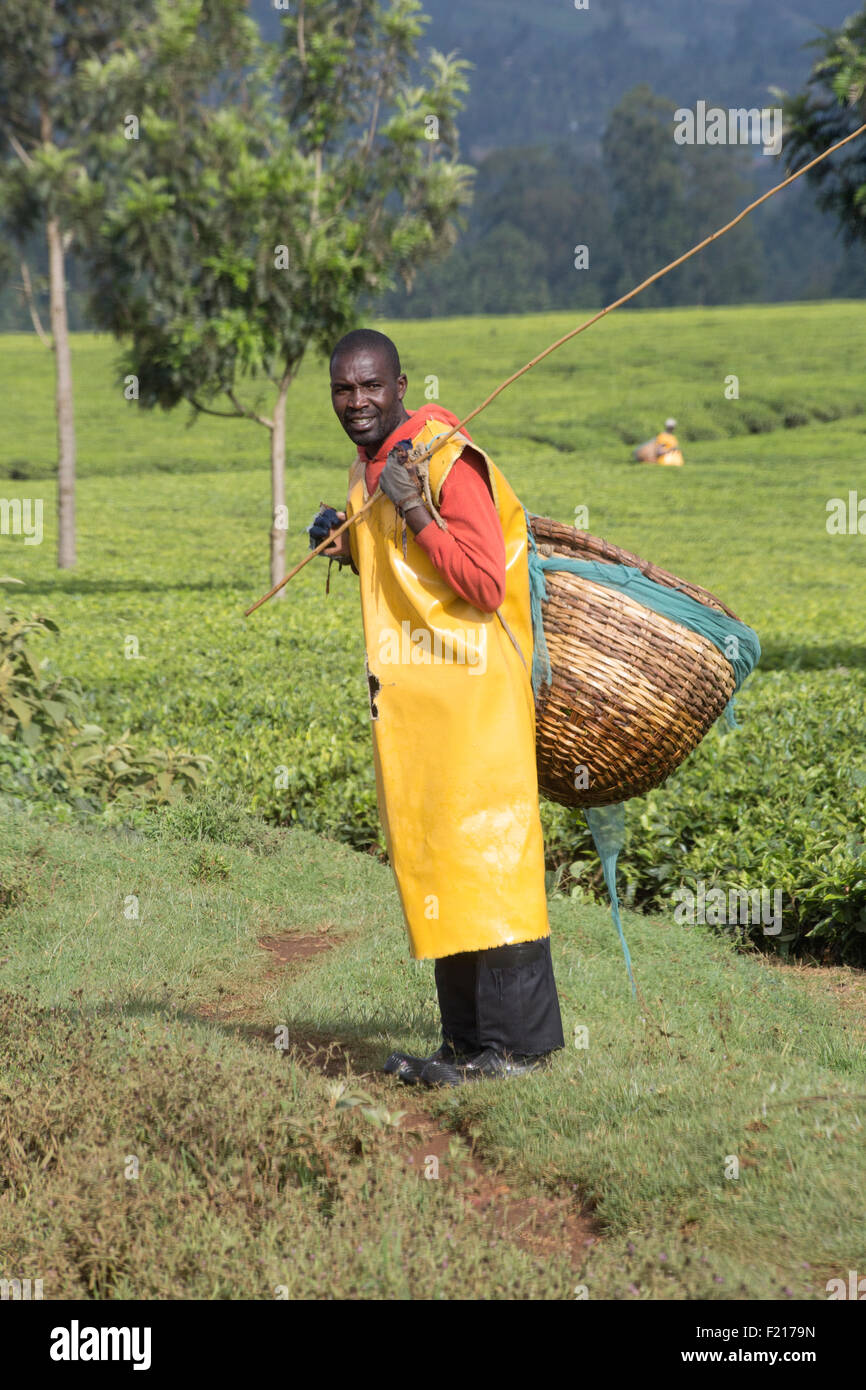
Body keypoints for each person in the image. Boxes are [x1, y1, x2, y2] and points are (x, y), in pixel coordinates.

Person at [317, 327, 564, 1087]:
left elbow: (485, 583)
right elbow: (406, 573)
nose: (357, 403)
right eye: (342, 390)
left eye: (370, 388)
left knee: (493, 860)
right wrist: (351, 542)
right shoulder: (372, 471)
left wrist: (417, 511)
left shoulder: (445, 460)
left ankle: (519, 1051)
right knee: (440, 863)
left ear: (399, 387)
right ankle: (464, 1046)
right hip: (419, 708)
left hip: (476, 698)